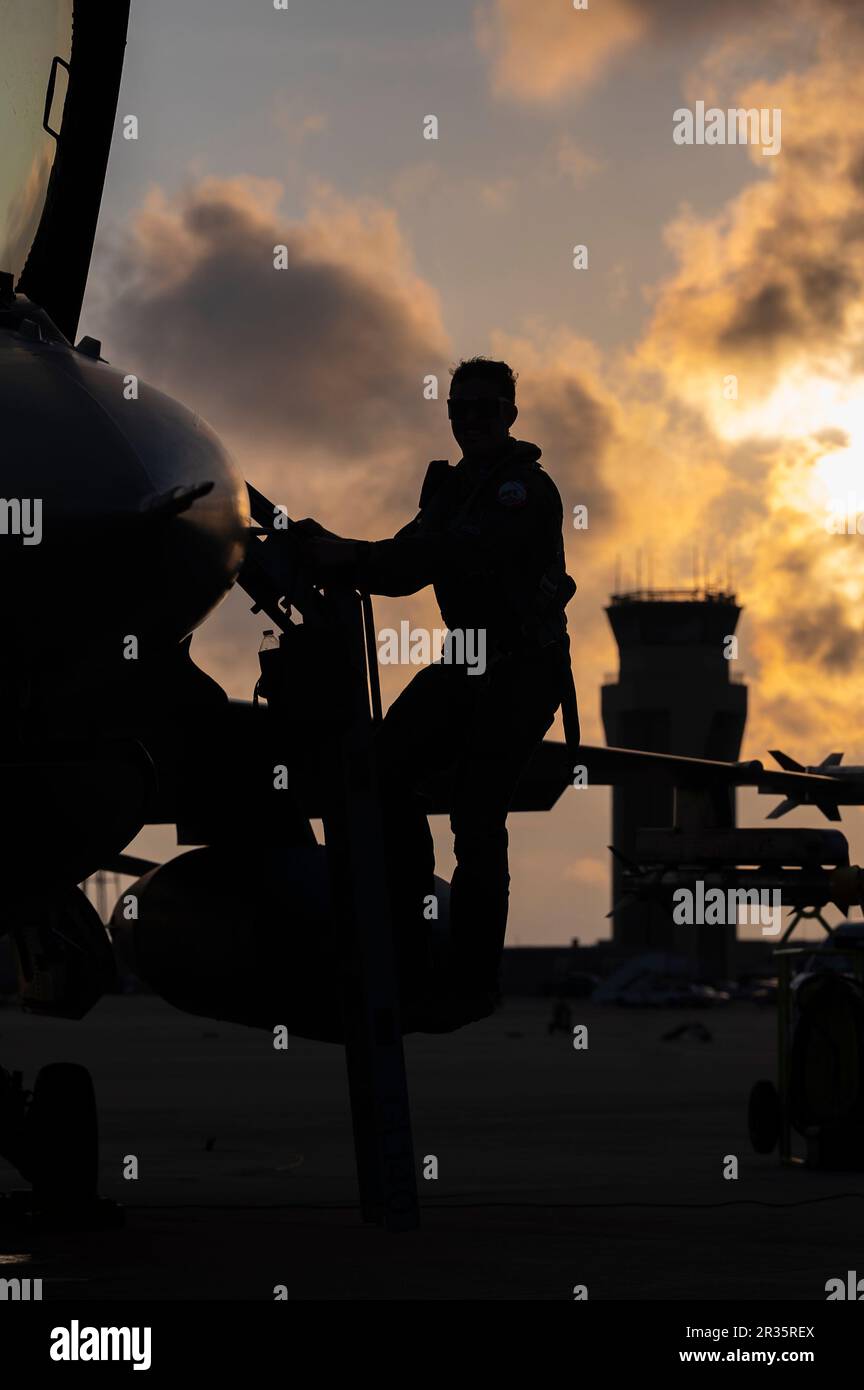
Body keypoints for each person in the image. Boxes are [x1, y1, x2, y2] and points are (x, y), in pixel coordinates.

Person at [296, 357, 579, 1031]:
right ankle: (407, 938)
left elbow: (439, 557)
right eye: (460, 409)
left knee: (478, 822)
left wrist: (348, 556)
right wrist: (338, 553)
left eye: (486, 408)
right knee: (381, 770)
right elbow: (405, 563)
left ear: (511, 414)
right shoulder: (455, 490)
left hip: (521, 672)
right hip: (469, 661)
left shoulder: (521, 492)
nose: (472, 421)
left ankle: (472, 980)